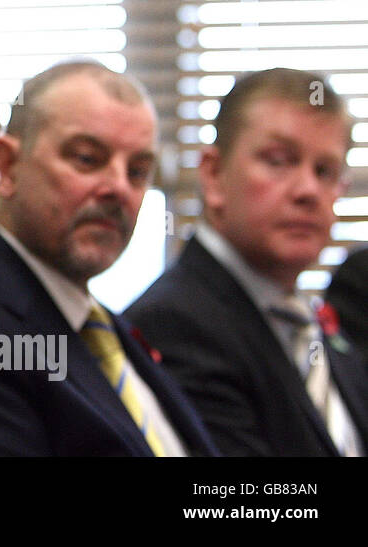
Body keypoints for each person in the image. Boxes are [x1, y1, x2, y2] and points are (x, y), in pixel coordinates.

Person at [0, 61, 218, 456]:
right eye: (86, 158)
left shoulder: (103, 327)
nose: (118, 188)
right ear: (6, 166)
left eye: (138, 171)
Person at [127, 68, 368, 456]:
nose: (308, 190)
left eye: (325, 171)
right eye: (278, 161)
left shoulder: (308, 322)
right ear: (213, 174)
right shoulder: (175, 323)